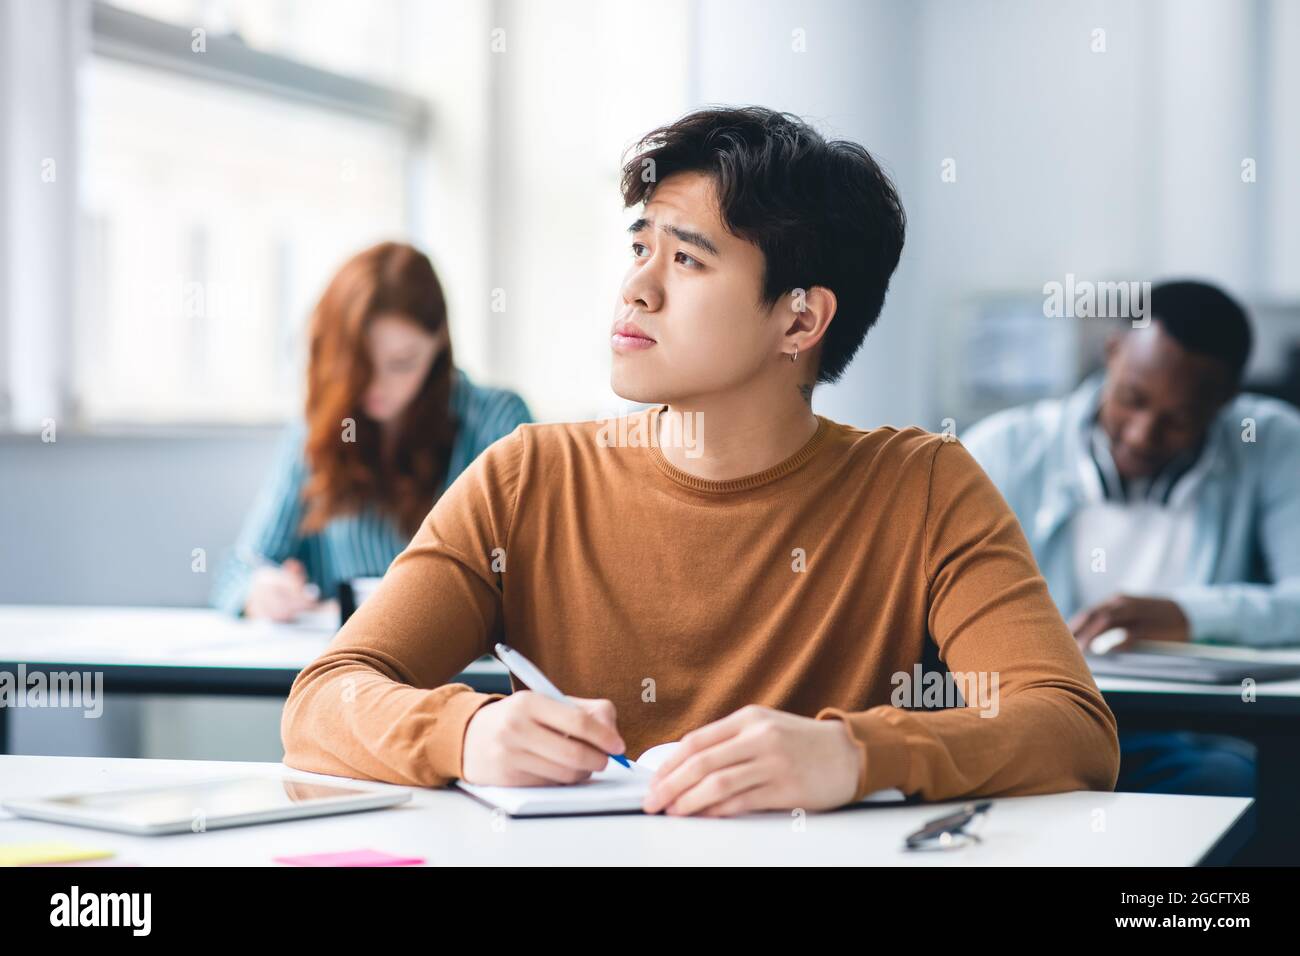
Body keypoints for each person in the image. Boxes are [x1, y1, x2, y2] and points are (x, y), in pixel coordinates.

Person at [281, 107, 1119, 817]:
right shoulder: (527, 476)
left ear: (800, 322)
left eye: (685, 259)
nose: (636, 290)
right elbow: (325, 698)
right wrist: (464, 732)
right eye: (639, 248)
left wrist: (856, 754)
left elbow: (1070, 728)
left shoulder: (925, 487)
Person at [964, 280, 1300, 796]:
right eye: (1131, 399)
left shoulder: (1272, 442)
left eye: (1178, 420)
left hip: (1185, 736)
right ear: (1113, 353)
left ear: (1227, 400)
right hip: (1033, 725)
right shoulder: (1002, 450)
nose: (1142, 434)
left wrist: (1187, 615)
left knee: (1231, 783)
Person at [211, 241, 532, 621]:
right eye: (360, 365)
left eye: (402, 363)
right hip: (353, 673)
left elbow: (534, 582)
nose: (378, 385)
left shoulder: (495, 420)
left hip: (462, 672)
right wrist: (261, 591)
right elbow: (239, 570)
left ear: (438, 345)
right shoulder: (322, 426)